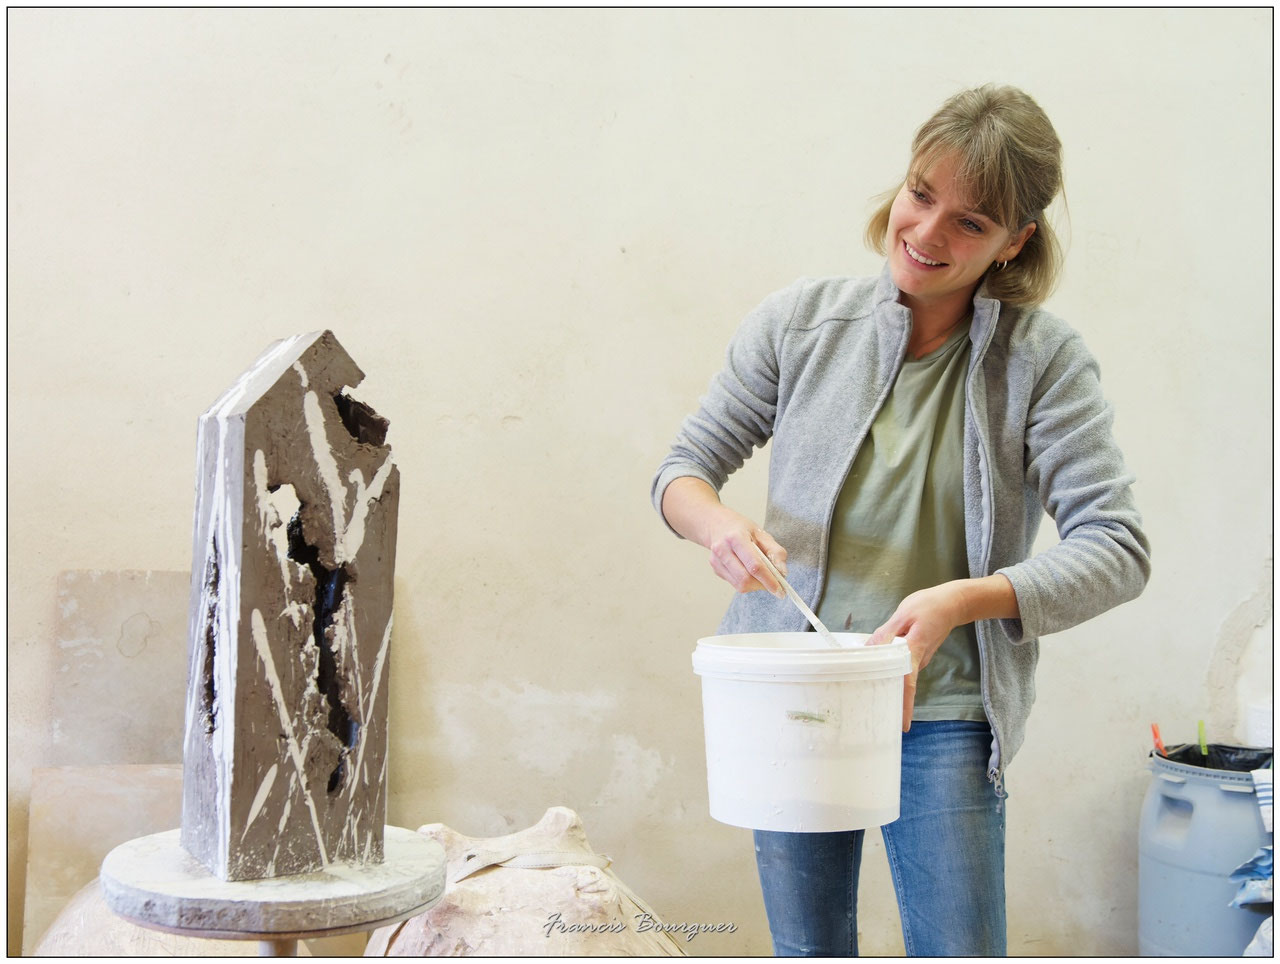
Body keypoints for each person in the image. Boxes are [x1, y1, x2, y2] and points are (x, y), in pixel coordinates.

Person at [650, 84, 1151, 957]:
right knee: (810, 950)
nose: (925, 232)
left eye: (970, 222)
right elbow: (682, 472)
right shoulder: (800, 323)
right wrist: (716, 526)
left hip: (945, 706)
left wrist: (961, 601)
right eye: (921, 194)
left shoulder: (1044, 363)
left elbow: (1117, 547)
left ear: (1014, 241)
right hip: (792, 696)